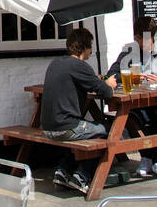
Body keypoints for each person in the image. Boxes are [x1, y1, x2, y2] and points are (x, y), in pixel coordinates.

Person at [41, 27, 119, 195]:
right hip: (65, 128)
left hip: (47, 128)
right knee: (110, 132)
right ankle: (82, 176)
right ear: (84, 47)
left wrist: (94, 80)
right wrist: (110, 84)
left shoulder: (56, 63)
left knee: (88, 130)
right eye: (90, 46)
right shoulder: (79, 65)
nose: (91, 50)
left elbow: (85, 81)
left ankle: (62, 171)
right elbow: (106, 92)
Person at [107, 15, 157, 179]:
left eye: (142, 39)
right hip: (138, 101)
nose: (140, 43)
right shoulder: (130, 51)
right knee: (135, 118)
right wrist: (131, 78)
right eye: (138, 39)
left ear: (152, 37)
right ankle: (146, 158)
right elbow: (113, 73)